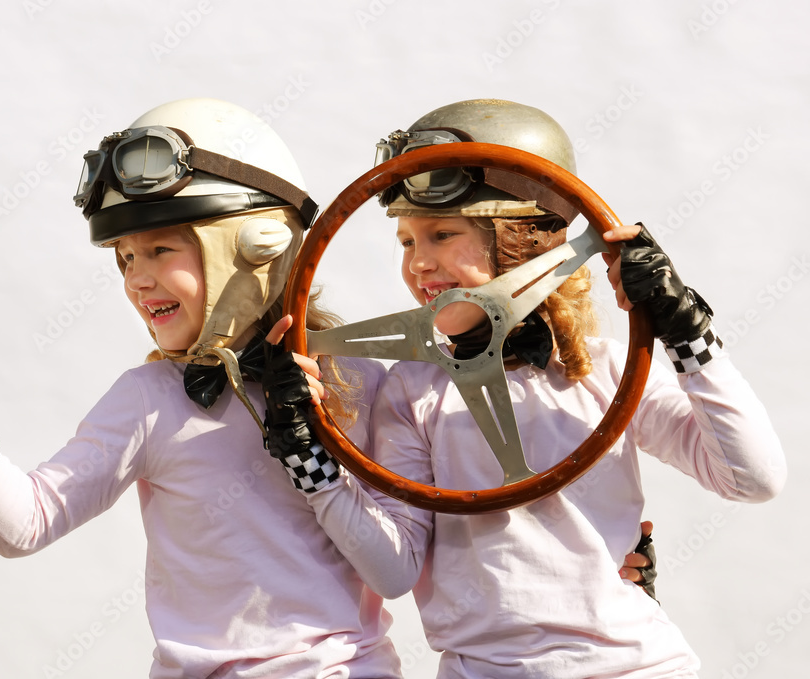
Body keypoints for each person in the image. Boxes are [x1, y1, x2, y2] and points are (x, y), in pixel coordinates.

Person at [0, 98, 404, 678]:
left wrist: (310, 459)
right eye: (124, 257)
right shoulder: (149, 397)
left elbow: (395, 574)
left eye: (159, 249)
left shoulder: (359, 381)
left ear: (254, 246)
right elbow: (27, 525)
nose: (137, 279)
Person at [264, 99, 786, 677]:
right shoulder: (410, 391)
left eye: (441, 234)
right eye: (408, 241)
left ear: (523, 239)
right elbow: (393, 571)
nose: (418, 264)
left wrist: (687, 332)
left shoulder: (607, 372)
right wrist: (309, 461)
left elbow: (752, 478)